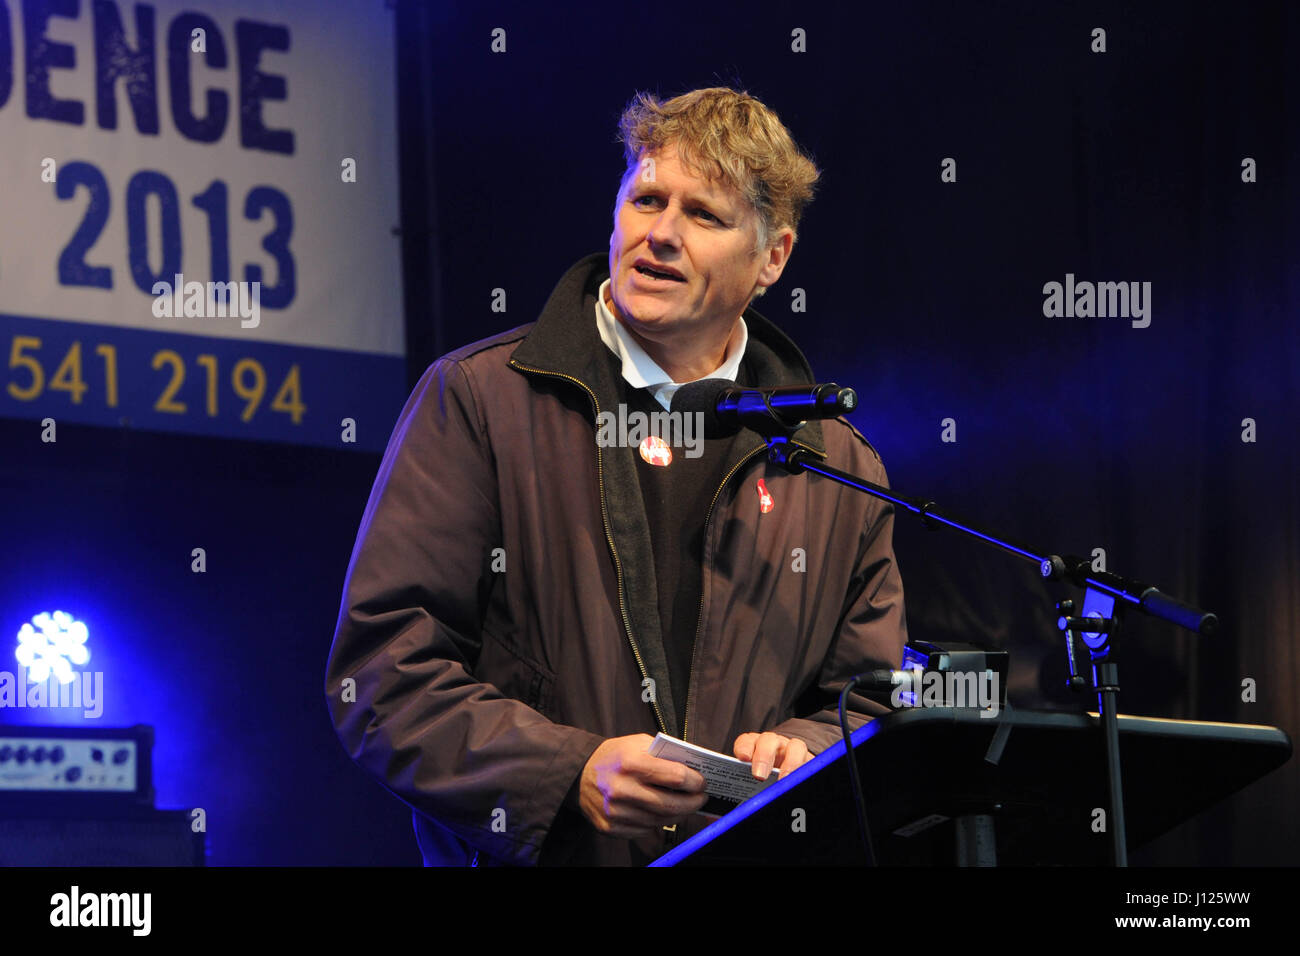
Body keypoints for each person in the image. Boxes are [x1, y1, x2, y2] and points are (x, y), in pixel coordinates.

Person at [325, 87, 907, 866]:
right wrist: (567, 773)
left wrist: (802, 748)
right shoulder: (479, 399)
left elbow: (869, 702)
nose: (660, 234)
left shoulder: (838, 463)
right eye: (646, 199)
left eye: (703, 215)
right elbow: (383, 678)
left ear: (774, 257)